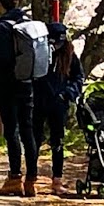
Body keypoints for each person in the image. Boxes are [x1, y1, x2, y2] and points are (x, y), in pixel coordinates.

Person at [30, 21, 84, 195]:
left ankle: (57, 179)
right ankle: (31, 177)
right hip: (38, 101)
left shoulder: (69, 55)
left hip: (59, 103)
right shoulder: (39, 52)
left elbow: (78, 77)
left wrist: (67, 93)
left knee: (58, 141)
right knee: (34, 140)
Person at [0, 0, 35, 197]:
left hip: (9, 83)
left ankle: (15, 177)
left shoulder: (4, 25)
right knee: (28, 130)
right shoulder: (29, 22)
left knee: (12, 130)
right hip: (29, 82)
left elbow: (4, 58)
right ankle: (32, 180)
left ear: (0, 3)